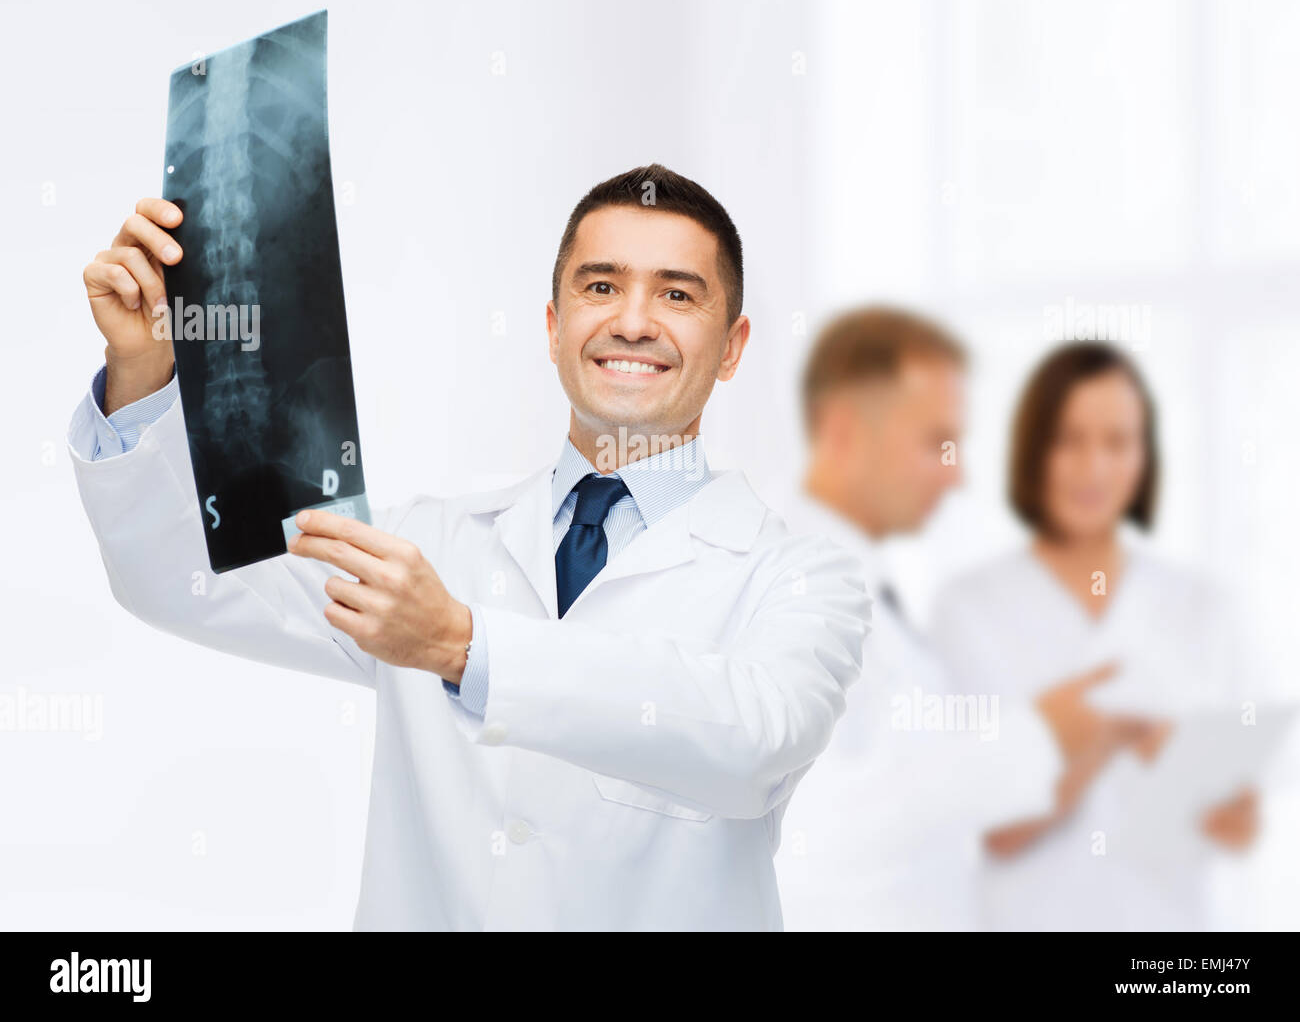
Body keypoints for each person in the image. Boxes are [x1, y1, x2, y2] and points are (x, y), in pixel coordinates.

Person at [69, 164, 870, 931]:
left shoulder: (800, 579)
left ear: (732, 347)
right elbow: (182, 581)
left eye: (677, 294)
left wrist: (462, 644)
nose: (632, 320)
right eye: (600, 286)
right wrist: (140, 370)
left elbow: (753, 747)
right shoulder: (425, 543)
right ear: (555, 330)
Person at [773, 306, 1139, 930]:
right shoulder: (787, 587)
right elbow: (831, 816)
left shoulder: (868, 587)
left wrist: (1070, 746)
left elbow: (921, 787)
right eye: (936, 442)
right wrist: (1039, 736)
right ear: (843, 432)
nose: (957, 473)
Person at [929, 341, 1259, 931]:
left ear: (1144, 456)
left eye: (1117, 442)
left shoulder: (1202, 607)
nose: (1094, 468)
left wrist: (1208, 791)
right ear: (1034, 451)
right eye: (1069, 441)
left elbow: (1237, 826)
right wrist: (1103, 739)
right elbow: (992, 830)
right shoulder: (970, 608)